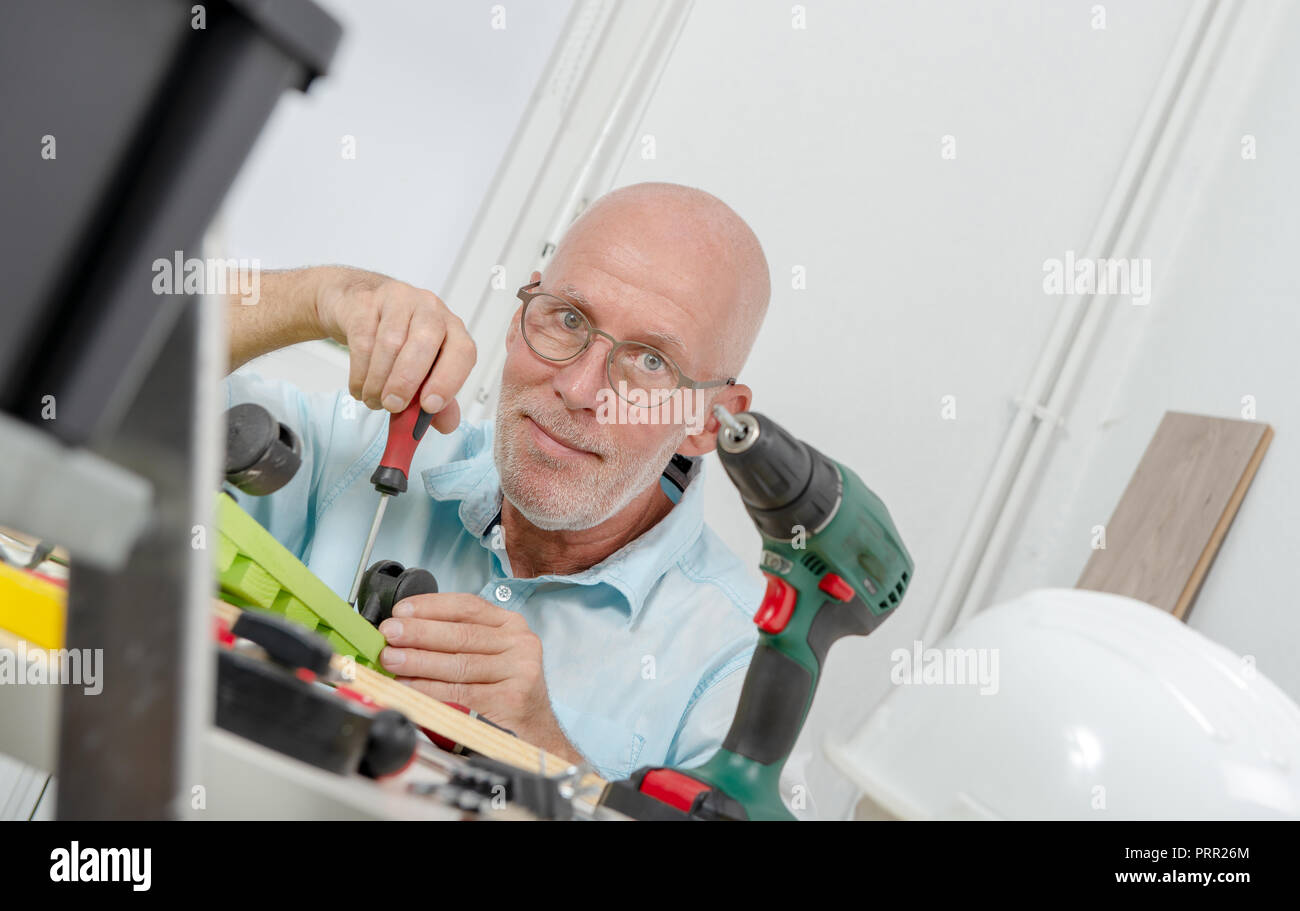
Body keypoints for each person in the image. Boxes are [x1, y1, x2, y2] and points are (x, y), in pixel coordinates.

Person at [224, 181, 786, 794]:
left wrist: (547, 751)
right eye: (568, 319)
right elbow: (132, 353)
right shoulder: (363, 450)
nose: (577, 389)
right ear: (521, 319)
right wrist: (322, 297)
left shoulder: (744, 663)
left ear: (708, 420)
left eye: (651, 361)